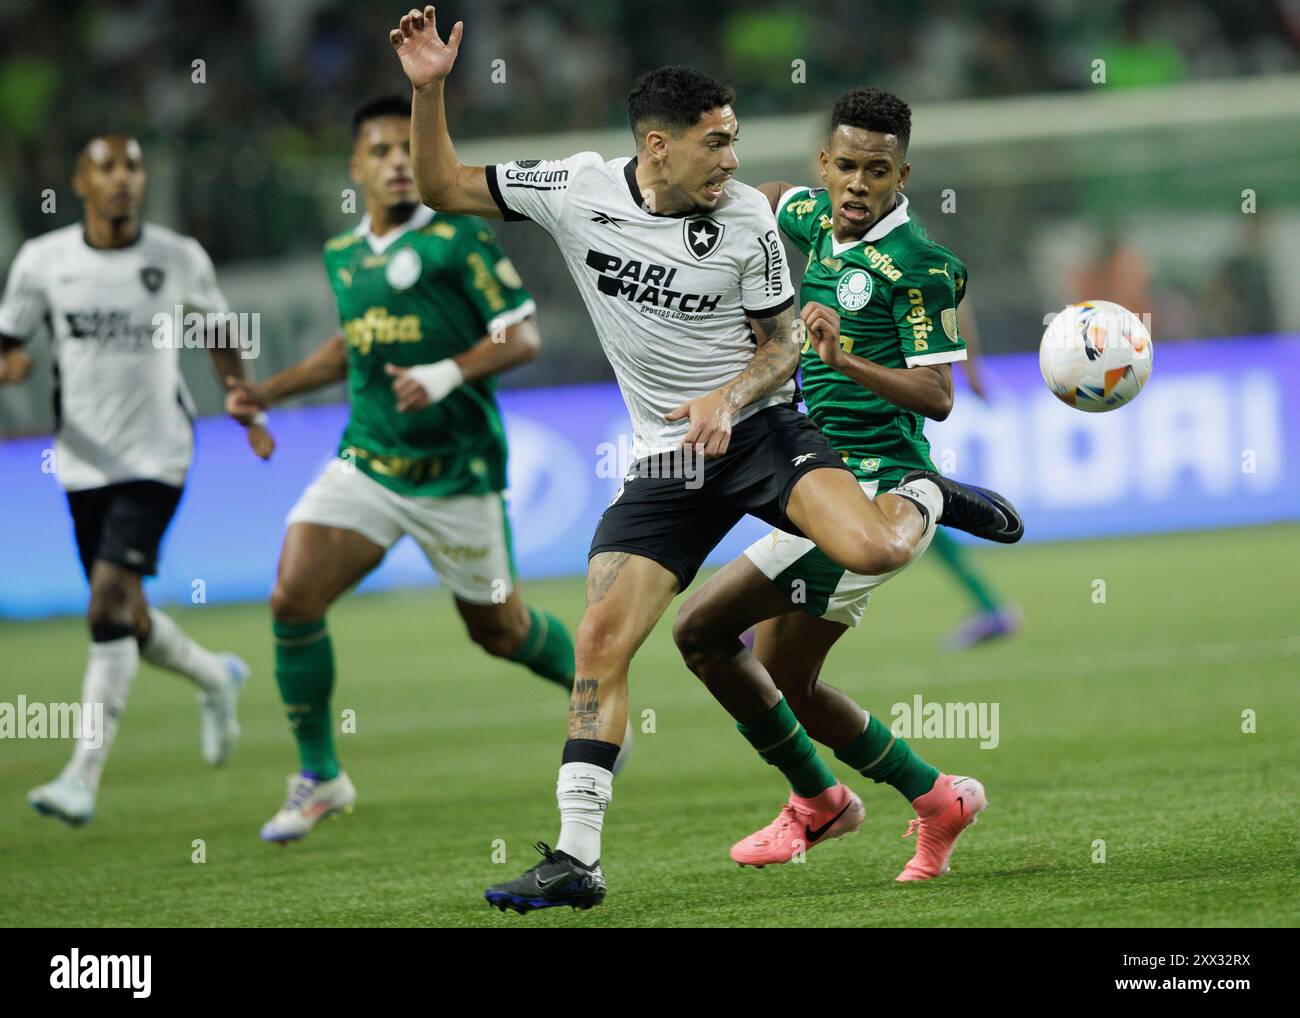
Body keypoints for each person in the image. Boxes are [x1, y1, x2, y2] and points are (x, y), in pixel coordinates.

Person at [390, 7, 1019, 912]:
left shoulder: (750, 222)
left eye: (734, 142)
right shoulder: (574, 189)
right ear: (658, 145)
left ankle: (926, 496)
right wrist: (430, 89)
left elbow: (778, 347)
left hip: (760, 432)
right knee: (606, 643)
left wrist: (726, 400)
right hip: (667, 458)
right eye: (716, 143)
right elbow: (443, 184)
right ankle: (578, 857)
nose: (731, 160)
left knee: (872, 551)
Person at [226, 96, 596, 844]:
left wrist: (446, 374)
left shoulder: (459, 239)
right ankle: (321, 774)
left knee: (501, 631)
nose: (398, 161)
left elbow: (519, 337)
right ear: (356, 167)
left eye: (407, 147)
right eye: (382, 150)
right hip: (367, 465)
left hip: (456, 475)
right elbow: (351, 347)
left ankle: (596, 684)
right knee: (292, 597)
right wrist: (267, 390)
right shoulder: (342, 255)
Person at [673, 88, 1012, 880]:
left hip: (868, 482)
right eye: (847, 167)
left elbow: (938, 395)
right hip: (814, 481)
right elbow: (761, 198)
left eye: (878, 171)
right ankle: (934, 798)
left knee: (703, 634)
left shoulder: (920, 267)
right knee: (786, 678)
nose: (859, 184)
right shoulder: (810, 216)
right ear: (825, 166)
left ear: (902, 176)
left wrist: (845, 361)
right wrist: (704, 214)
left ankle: (818, 803)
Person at [0, 135, 266, 826]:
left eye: (133, 167)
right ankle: (215, 676)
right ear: (79, 183)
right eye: (106, 168)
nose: (123, 179)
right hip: (82, 462)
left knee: (106, 605)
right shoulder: (42, 262)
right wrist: (10, 366)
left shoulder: (176, 258)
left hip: (158, 456)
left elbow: (219, 328)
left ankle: (82, 778)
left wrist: (243, 400)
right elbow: (8, 342)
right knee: (124, 612)